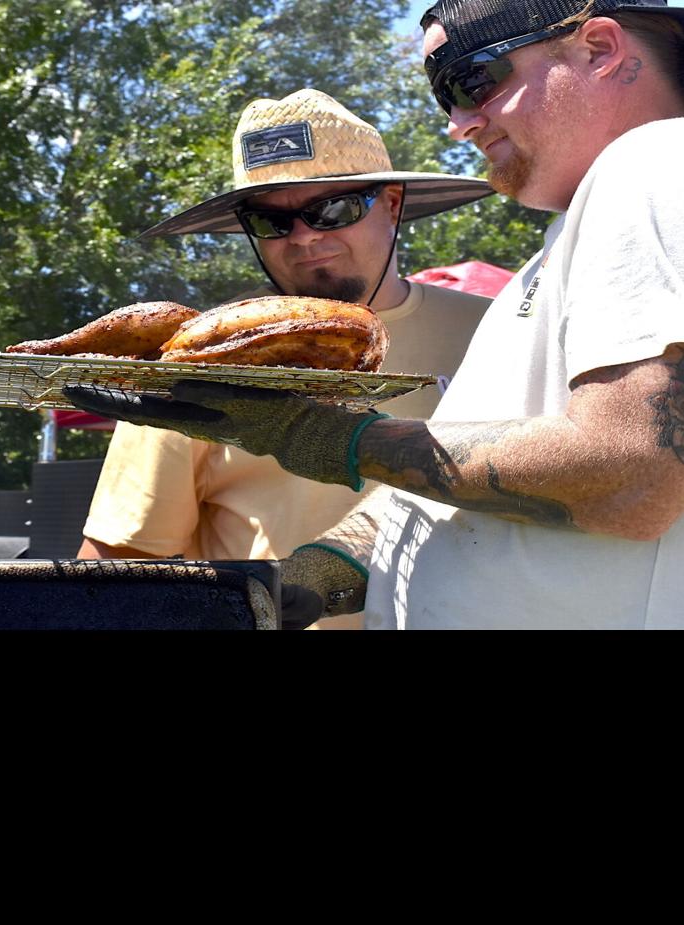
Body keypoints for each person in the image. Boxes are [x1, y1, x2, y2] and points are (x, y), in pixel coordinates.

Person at [69, 0, 684, 629]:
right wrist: (307, 581)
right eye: (444, 97)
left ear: (599, 47)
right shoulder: (587, 229)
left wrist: (330, 438)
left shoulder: (667, 165)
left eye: (471, 81)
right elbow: (456, 484)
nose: (458, 124)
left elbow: (631, 473)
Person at [74, 88, 495, 628]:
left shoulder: (495, 328)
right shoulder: (194, 363)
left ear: (391, 204)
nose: (303, 237)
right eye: (271, 221)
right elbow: (116, 565)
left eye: (332, 209)